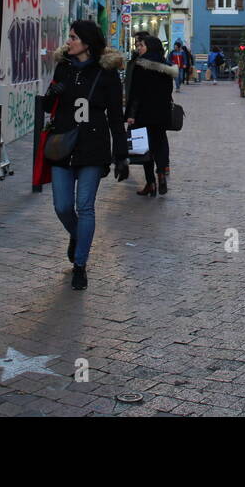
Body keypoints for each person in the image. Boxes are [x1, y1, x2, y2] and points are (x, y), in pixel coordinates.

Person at [43, 21, 128, 291]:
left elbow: (115, 117)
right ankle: (77, 236)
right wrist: (52, 93)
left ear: (87, 43)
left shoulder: (106, 73)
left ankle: (80, 265)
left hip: (93, 146)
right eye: (69, 37)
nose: (68, 42)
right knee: (62, 206)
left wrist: (121, 155)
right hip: (63, 145)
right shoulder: (63, 68)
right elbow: (46, 106)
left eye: (73, 38)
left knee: (86, 206)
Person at [127, 35, 177, 196]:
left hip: (144, 113)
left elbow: (135, 93)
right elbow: (168, 92)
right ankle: (161, 174)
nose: (138, 48)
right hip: (161, 113)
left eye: (142, 46)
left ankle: (151, 183)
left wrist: (130, 114)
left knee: (145, 148)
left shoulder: (141, 65)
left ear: (150, 46)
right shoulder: (167, 66)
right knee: (160, 144)